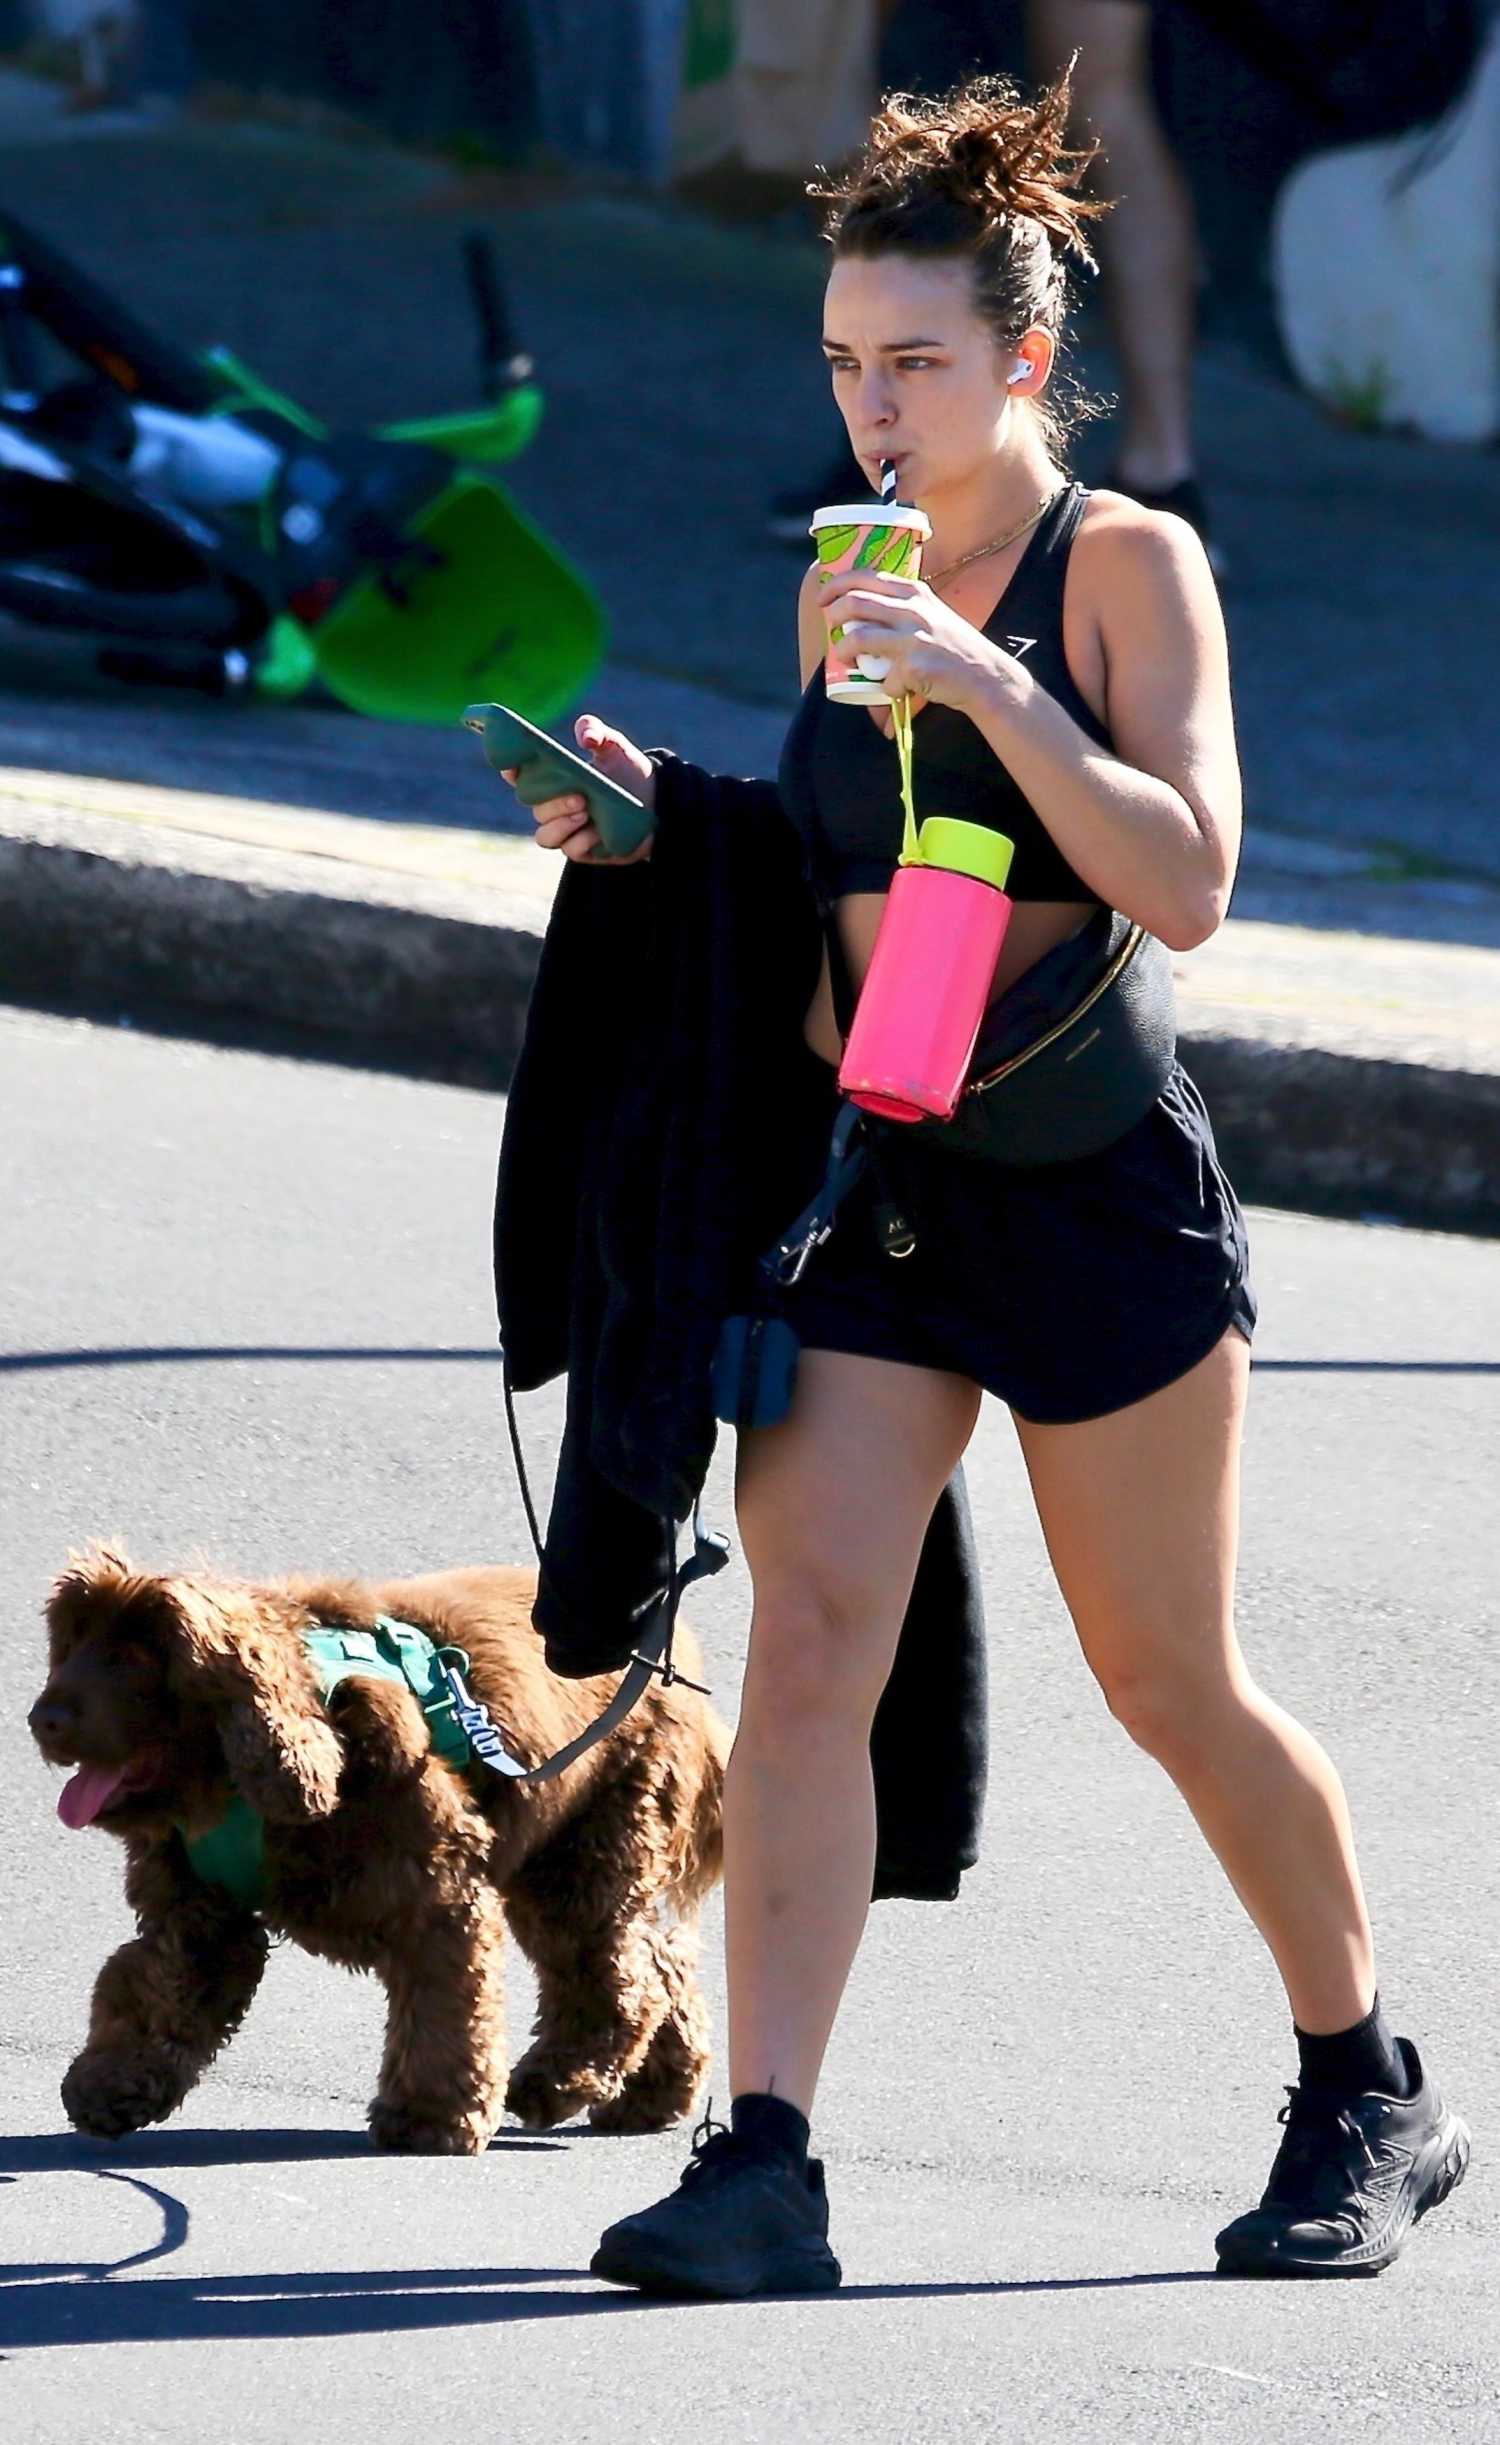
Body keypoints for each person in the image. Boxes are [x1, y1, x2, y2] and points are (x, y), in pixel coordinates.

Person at [507, 69, 1468, 2296]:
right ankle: (766, 2155)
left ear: (1024, 362)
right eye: (844, 362)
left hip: (1098, 1185)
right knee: (814, 1628)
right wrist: (677, 827)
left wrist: (996, 686)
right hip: (890, 1193)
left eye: (915, 360)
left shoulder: (1128, 565)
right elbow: (834, 863)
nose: (873, 404)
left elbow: (1194, 875)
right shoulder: (841, 577)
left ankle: (1368, 2082)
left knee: (1170, 1680)